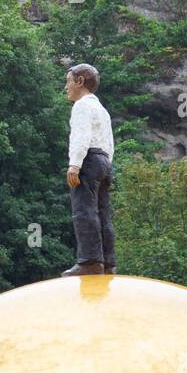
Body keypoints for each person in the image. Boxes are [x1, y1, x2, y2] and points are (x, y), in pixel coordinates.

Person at [62, 63, 116, 276]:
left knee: (84, 210)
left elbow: (81, 136)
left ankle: (90, 261)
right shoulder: (101, 109)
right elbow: (109, 141)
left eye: (68, 82)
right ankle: (108, 263)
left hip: (88, 159)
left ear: (80, 81)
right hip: (104, 161)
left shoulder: (82, 105)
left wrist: (74, 164)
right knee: (103, 213)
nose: (66, 87)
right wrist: (107, 165)